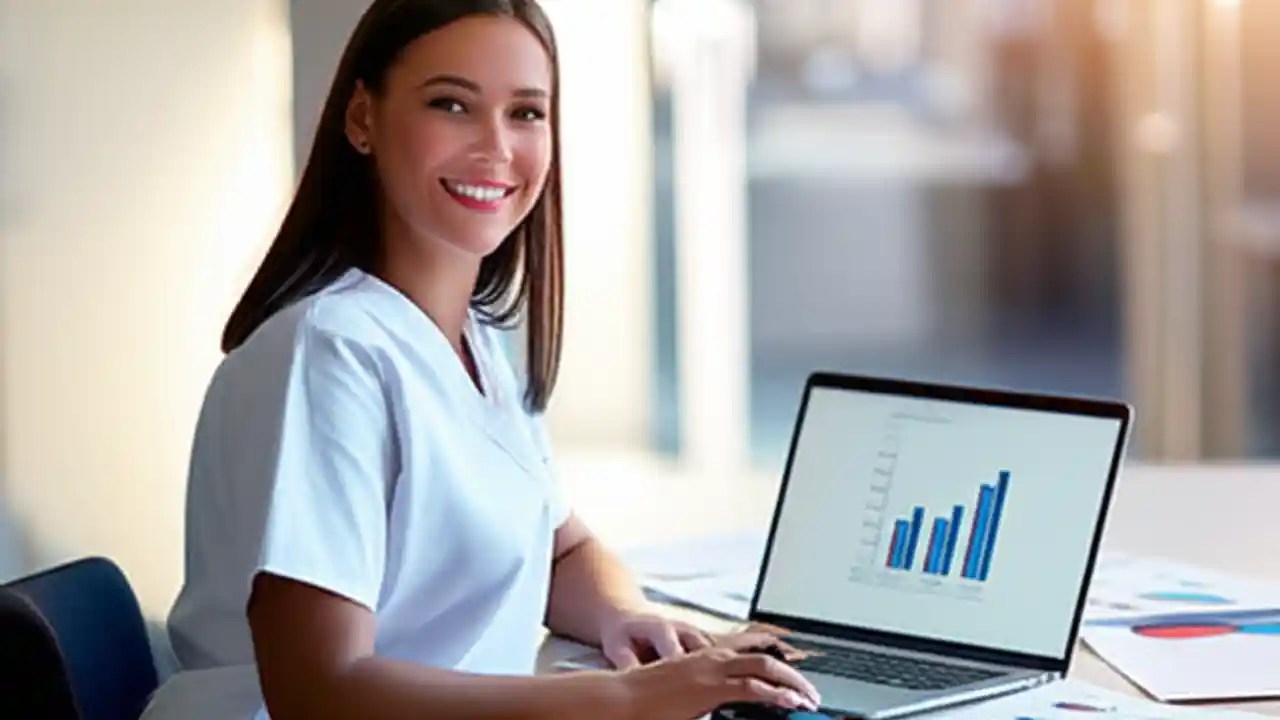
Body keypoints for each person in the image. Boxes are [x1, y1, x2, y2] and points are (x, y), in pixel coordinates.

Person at [139, 1, 821, 718]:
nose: (496, 146)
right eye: (452, 104)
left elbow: (559, 548)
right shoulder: (332, 352)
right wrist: (622, 699)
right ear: (362, 118)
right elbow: (318, 689)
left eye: (526, 113)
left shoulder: (478, 342)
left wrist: (629, 617)